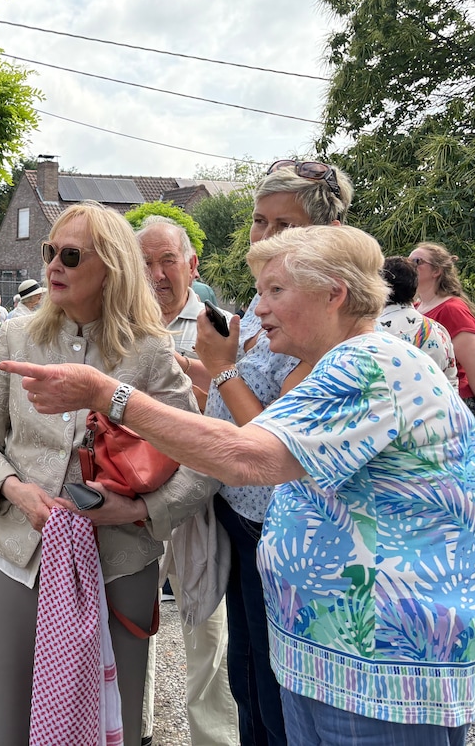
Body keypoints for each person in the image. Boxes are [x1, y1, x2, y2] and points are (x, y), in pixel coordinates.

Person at [6, 224, 475, 746]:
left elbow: (246, 456)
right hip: (339, 663)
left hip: (378, 672)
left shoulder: (369, 363)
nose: (257, 309)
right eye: (260, 291)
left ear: (335, 294)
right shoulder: (335, 365)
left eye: (275, 291)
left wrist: (109, 395)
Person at [0, 201, 212, 745]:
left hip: (118, 560)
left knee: (106, 720)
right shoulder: (18, 335)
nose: (53, 265)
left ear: (113, 267)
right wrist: (13, 489)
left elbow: (202, 456)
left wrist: (144, 510)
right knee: (4, 721)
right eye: (49, 251)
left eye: (71, 256)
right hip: (15, 552)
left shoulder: (148, 351)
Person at [192, 158, 353, 746]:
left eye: (280, 225)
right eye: (259, 221)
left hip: (278, 521)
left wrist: (219, 366)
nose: (263, 236)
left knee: (277, 684)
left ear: (324, 234)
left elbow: (275, 444)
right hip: (244, 515)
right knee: (248, 680)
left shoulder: (326, 317)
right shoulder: (274, 303)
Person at [135, 217, 237, 746]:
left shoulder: (220, 328)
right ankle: (138, 730)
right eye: (146, 263)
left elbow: (235, 417)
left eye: (167, 260)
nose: (156, 274)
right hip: (138, 499)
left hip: (203, 504)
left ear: (192, 265)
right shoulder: (123, 326)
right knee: (132, 622)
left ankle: (214, 740)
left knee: (208, 632)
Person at [409, 242, 475, 431]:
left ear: (436, 271)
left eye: (416, 261)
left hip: (454, 404)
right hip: (423, 406)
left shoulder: (452, 310)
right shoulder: (415, 308)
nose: (410, 265)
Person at [378, 256, 457, 388]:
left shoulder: (370, 332)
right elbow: (451, 383)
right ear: (414, 286)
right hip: (437, 406)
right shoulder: (439, 331)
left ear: (379, 287)